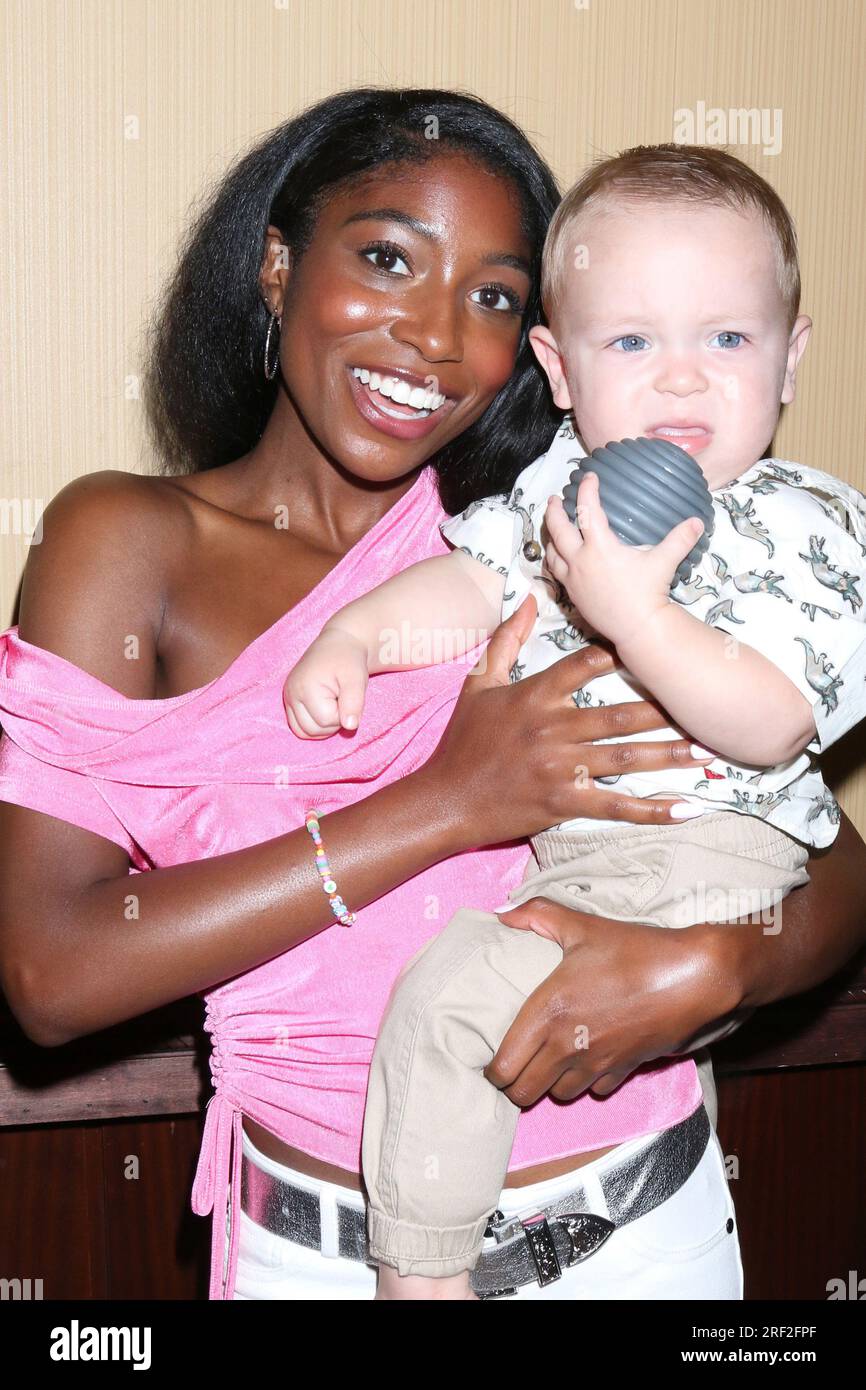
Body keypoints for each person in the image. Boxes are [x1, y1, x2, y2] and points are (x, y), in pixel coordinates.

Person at [0, 92, 864, 1305]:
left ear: (537, 345)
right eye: (387, 259)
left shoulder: (556, 519)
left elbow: (826, 860)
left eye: (493, 296)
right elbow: (51, 975)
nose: (434, 337)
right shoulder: (130, 542)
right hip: (329, 1260)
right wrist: (448, 803)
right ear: (277, 264)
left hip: (644, 1227)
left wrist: (715, 966)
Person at [283, 144, 866, 1300]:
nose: (681, 378)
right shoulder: (559, 494)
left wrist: (636, 616)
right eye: (632, 342)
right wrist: (353, 636)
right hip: (586, 862)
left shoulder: (807, 521)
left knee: (446, 1003)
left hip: (710, 853)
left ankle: (419, 1276)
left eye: (726, 338)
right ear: (558, 369)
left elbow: (771, 721)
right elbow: (469, 583)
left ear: (789, 359)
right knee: (502, 1005)